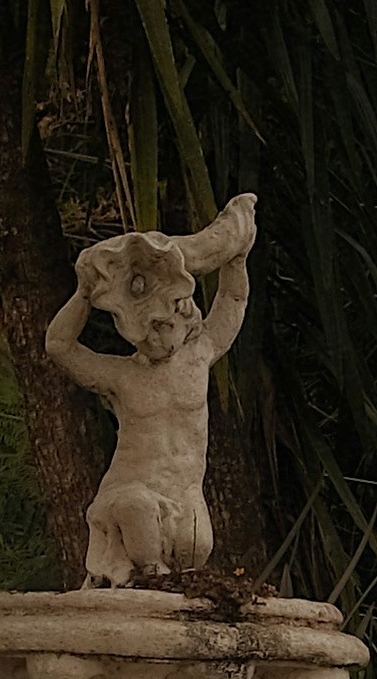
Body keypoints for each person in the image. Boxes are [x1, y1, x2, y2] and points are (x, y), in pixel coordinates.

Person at [44, 194, 257, 587]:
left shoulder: (199, 356)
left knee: (197, 547)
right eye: (145, 331)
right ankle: (144, 576)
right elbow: (59, 346)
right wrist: (84, 296)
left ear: (182, 315)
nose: (155, 337)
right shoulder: (122, 376)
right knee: (139, 514)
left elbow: (233, 299)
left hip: (186, 492)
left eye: (162, 326)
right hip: (132, 490)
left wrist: (237, 258)